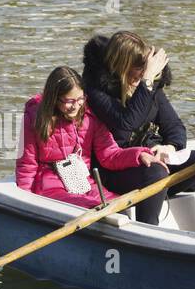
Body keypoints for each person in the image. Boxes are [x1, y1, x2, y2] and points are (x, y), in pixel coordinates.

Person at [82, 31, 195, 224]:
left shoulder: (149, 88)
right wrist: (147, 83)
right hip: (116, 169)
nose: (141, 74)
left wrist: (169, 147)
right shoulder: (96, 90)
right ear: (119, 67)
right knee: (156, 171)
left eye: (144, 69)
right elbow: (126, 123)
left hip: (152, 159)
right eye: (136, 69)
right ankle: (148, 230)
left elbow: (175, 127)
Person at [15, 67, 166, 210]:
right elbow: (27, 165)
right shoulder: (33, 120)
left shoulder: (90, 117)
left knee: (116, 206)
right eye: (69, 101)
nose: (76, 106)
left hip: (84, 182)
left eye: (80, 99)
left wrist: (139, 154)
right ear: (55, 99)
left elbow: (110, 155)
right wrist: (23, 201)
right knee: (91, 206)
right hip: (51, 187)